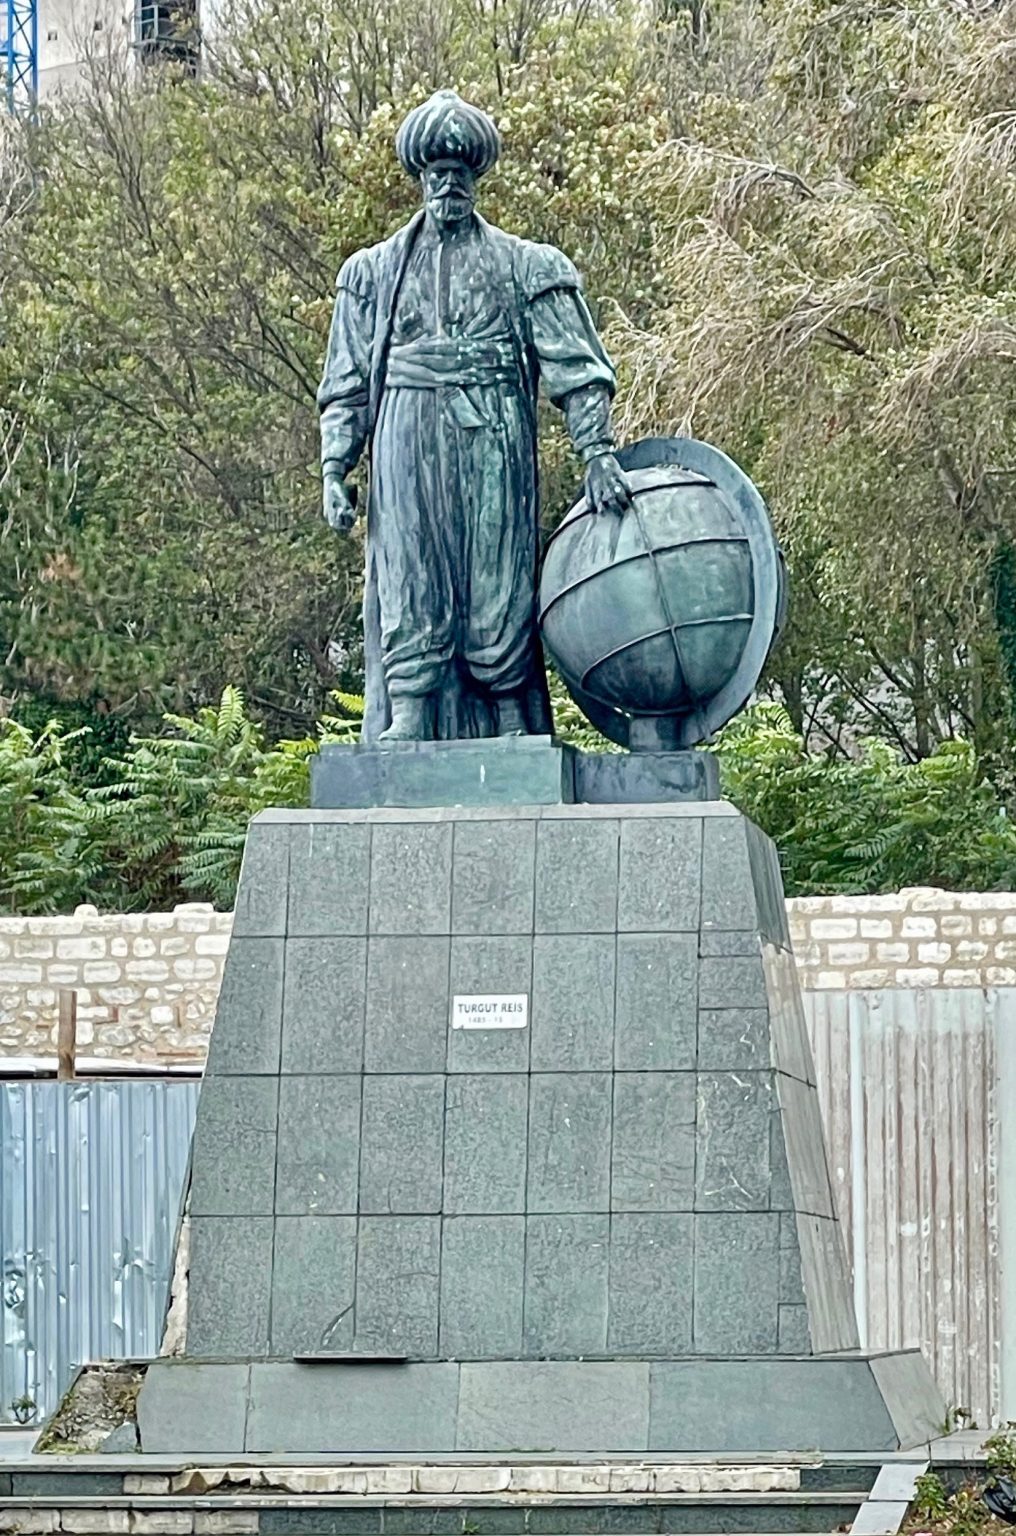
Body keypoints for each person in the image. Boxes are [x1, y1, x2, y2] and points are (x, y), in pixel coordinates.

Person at [318, 89, 631, 742]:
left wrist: (597, 452)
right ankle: (410, 709)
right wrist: (334, 466)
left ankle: (512, 712)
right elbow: (344, 381)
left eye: (460, 176)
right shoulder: (372, 274)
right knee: (410, 571)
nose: (449, 186)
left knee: (500, 572)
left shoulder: (527, 266)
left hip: (493, 429)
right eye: (438, 176)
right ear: (421, 181)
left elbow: (578, 368)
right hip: (405, 435)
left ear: (475, 180)